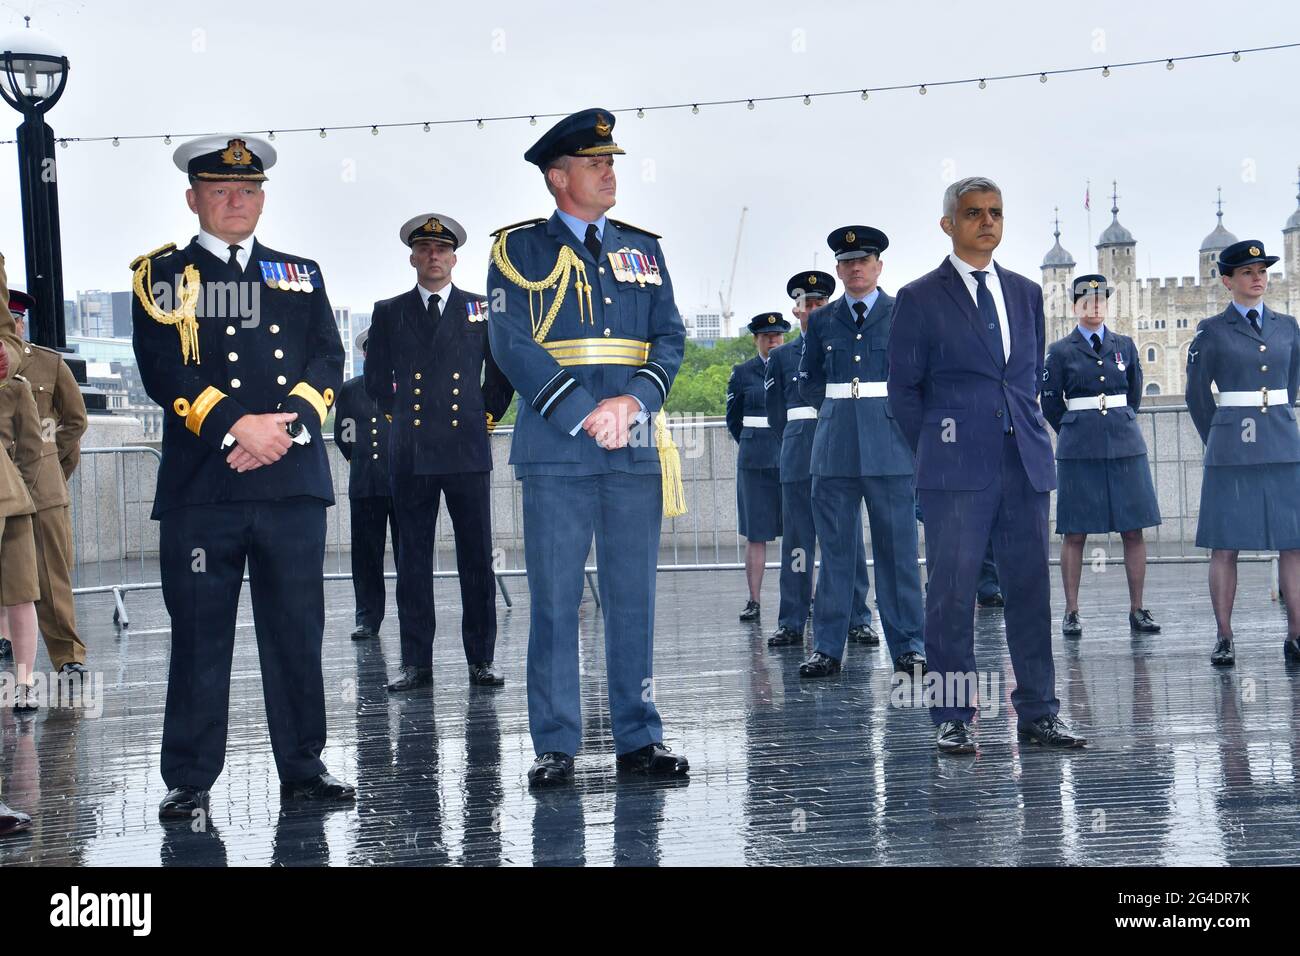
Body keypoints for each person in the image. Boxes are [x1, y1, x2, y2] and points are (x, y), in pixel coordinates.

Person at [131, 134, 354, 821]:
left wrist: (278, 430)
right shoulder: (162, 277)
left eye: (249, 190)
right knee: (201, 634)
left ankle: (304, 768)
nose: (237, 201)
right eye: (222, 191)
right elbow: (164, 369)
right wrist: (237, 426)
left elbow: (327, 360)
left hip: (289, 485)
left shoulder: (301, 273)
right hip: (207, 490)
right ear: (193, 198)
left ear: (263, 197)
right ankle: (190, 778)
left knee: (296, 631)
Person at [486, 108, 690, 786]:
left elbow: (670, 337)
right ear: (557, 176)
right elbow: (511, 344)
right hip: (557, 449)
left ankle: (639, 736)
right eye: (595, 162)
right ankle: (556, 743)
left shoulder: (644, 248)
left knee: (634, 597)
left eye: (612, 161)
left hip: (630, 441)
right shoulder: (516, 252)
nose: (609, 171)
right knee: (554, 601)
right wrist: (581, 412)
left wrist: (632, 402)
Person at [888, 176, 1085, 753]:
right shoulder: (920, 298)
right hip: (955, 471)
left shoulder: (1025, 293)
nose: (987, 223)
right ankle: (952, 714)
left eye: (995, 213)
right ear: (948, 224)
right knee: (950, 593)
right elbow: (904, 393)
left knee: (1028, 589)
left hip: (1023, 463)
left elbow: (1023, 379)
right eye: (973, 213)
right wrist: (936, 450)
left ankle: (1040, 712)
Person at [364, 212, 515, 690]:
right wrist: (406, 422)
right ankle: (415, 663)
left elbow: (502, 373)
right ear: (413, 256)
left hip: (467, 449)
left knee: (475, 558)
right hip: (411, 455)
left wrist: (483, 417)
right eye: (425, 249)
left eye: (442, 250)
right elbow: (375, 381)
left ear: (454, 258)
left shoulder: (481, 309)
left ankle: (481, 660)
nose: (434, 256)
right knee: (412, 561)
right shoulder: (389, 311)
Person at [798, 226, 926, 678]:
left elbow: (918, 380)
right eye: (847, 261)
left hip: (889, 447)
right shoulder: (822, 321)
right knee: (835, 553)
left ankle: (909, 646)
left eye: (863, 259)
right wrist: (836, 412)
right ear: (838, 268)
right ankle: (828, 648)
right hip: (834, 449)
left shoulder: (903, 313)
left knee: (898, 552)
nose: (855, 267)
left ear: (878, 266)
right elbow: (809, 380)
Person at [1186, 240, 1300, 666]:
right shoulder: (1211, 331)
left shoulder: (1288, 326)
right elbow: (1198, 396)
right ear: (1227, 280)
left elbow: (1292, 384)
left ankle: (1296, 634)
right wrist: (1219, 437)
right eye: (1248, 271)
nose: (1258, 277)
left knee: (1294, 542)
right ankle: (1225, 636)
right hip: (1232, 450)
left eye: (1263, 270)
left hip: (1283, 446)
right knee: (1225, 546)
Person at [1042, 274, 1161, 637]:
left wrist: (1118, 425)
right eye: (1086, 300)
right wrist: (1076, 430)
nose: (1094, 306)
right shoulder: (1060, 351)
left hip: (1125, 446)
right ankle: (1072, 611)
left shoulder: (1124, 345)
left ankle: (1137, 608)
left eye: (1100, 299)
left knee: (1133, 530)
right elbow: (1050, 402)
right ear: (1075, 306)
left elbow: (1134, 394)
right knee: (1074, 533)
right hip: (1080, 451)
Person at [765, 270, 878, 647]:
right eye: (806, 304)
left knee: (846, 539)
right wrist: (795, 443)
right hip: (799, 453)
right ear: (796, 311)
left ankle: (857, 617)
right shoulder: (780, 356)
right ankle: (792, 619)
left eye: (818, 303)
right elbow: (776, 413)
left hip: (841, 449)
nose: (812, 309)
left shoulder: (844, 342)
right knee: (798, 543)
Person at [2, 290, 90, 674]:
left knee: (52, 578)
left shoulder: (49, 364)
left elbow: (74, 421)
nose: (14, 326)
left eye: (16, 320)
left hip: (41, 487)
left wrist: (53, 465)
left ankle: (68, 656)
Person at [334, 327, 398, 641]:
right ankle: (368, 619)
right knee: (366, 557)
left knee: (409, 556)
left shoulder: (410, 387)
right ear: (364, 355)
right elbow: (342, 437)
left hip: (404, 485)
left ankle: (413, 616)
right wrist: (361, 463)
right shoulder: (349, 391)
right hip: (366, 485)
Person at [726, 313, 785, 621]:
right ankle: (754, 600)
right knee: (756, 534)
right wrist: (752, 442)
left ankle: (807, 598)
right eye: (765, 336)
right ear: (756, 340)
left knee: (799, 533)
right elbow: (733, 419)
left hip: (790, 458)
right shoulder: (742, 373)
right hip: (755, 461)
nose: (772, 340)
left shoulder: (793, 364)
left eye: (776, 335)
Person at [0, 363, 44, 713]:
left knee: (20, 592)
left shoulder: (13, 386)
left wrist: (18, 488)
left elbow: (31, 447)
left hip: (9, 503)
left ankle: (25, 683)